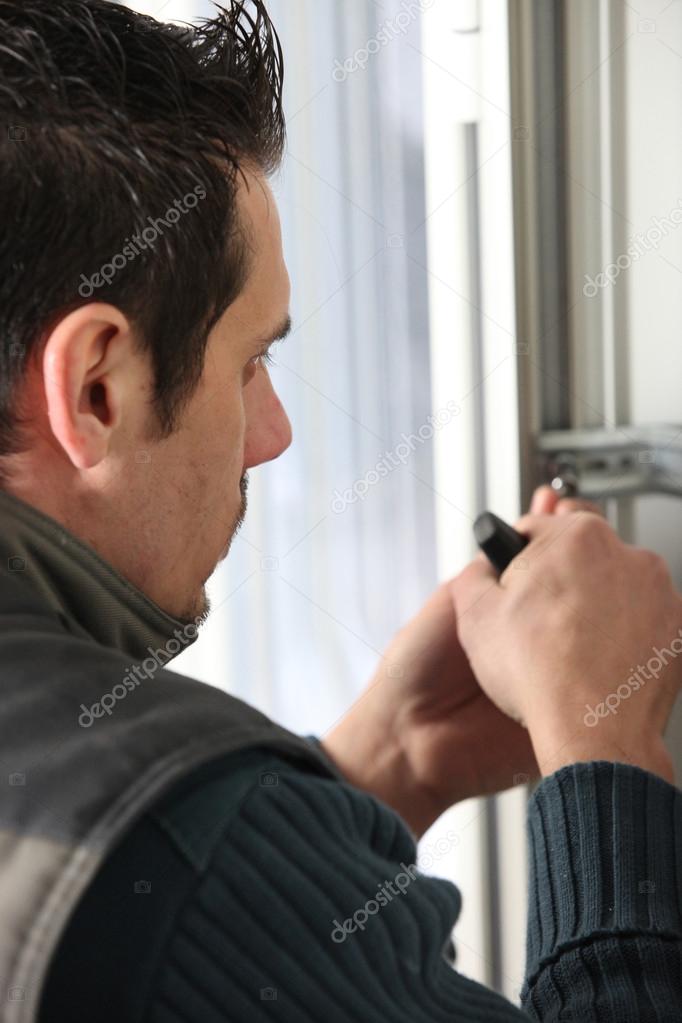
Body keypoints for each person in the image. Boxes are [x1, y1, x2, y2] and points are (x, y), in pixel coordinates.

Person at [0, 2, 679, 1021]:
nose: (272, 434)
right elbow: (184, 906)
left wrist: (389, 759)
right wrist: (605, 747)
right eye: (252, 361)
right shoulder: (186, 858)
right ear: (97, 386)